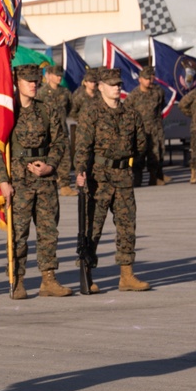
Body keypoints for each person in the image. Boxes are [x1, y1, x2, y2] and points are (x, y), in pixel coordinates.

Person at [0, 65, 74, 299]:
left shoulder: (47, 109)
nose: (34, 84)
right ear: (16, 82)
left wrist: (50, 165)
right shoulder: (7, 111)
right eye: (28, 81)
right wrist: (3, 181)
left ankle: (49, 279)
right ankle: (16, 279)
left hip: (44, 179)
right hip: (17, 180)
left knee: (49, 231)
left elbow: (59, 142)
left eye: (36, 80)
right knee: (18, 233)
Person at [75, 68, 151, 292]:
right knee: (93, 227)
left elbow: (140, 145)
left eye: (118, 84)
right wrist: (80, 170)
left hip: (123, 177)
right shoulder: (91, 113)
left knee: (127, 226)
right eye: (111, 84)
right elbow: (82, 146)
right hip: (99, 177)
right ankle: (87, 272)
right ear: (100, 87)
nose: (117, 87)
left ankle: (126, 275)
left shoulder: (130, 113)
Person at [125, 65, 171, 186]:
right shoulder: (134, 95)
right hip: (140, 130)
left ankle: (155, 177)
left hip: (155, 128)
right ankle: (137, 178)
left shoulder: (158, 92)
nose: (149, 80)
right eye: (146, 78)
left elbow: (161, 105)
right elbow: (127, 111)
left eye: (151, 78)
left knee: (156, 153)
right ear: (140, 79)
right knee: (138, 155)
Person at [37, 65, 77, 196]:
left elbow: (71, 108)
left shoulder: (65, 92)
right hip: (46, 132)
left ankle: (65, 185)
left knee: (65, 158)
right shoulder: (41, 93)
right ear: (48, 76)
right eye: (56, 75)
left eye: (60, 75)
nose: (59, 78)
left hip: (62, 131)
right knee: (46, 158)